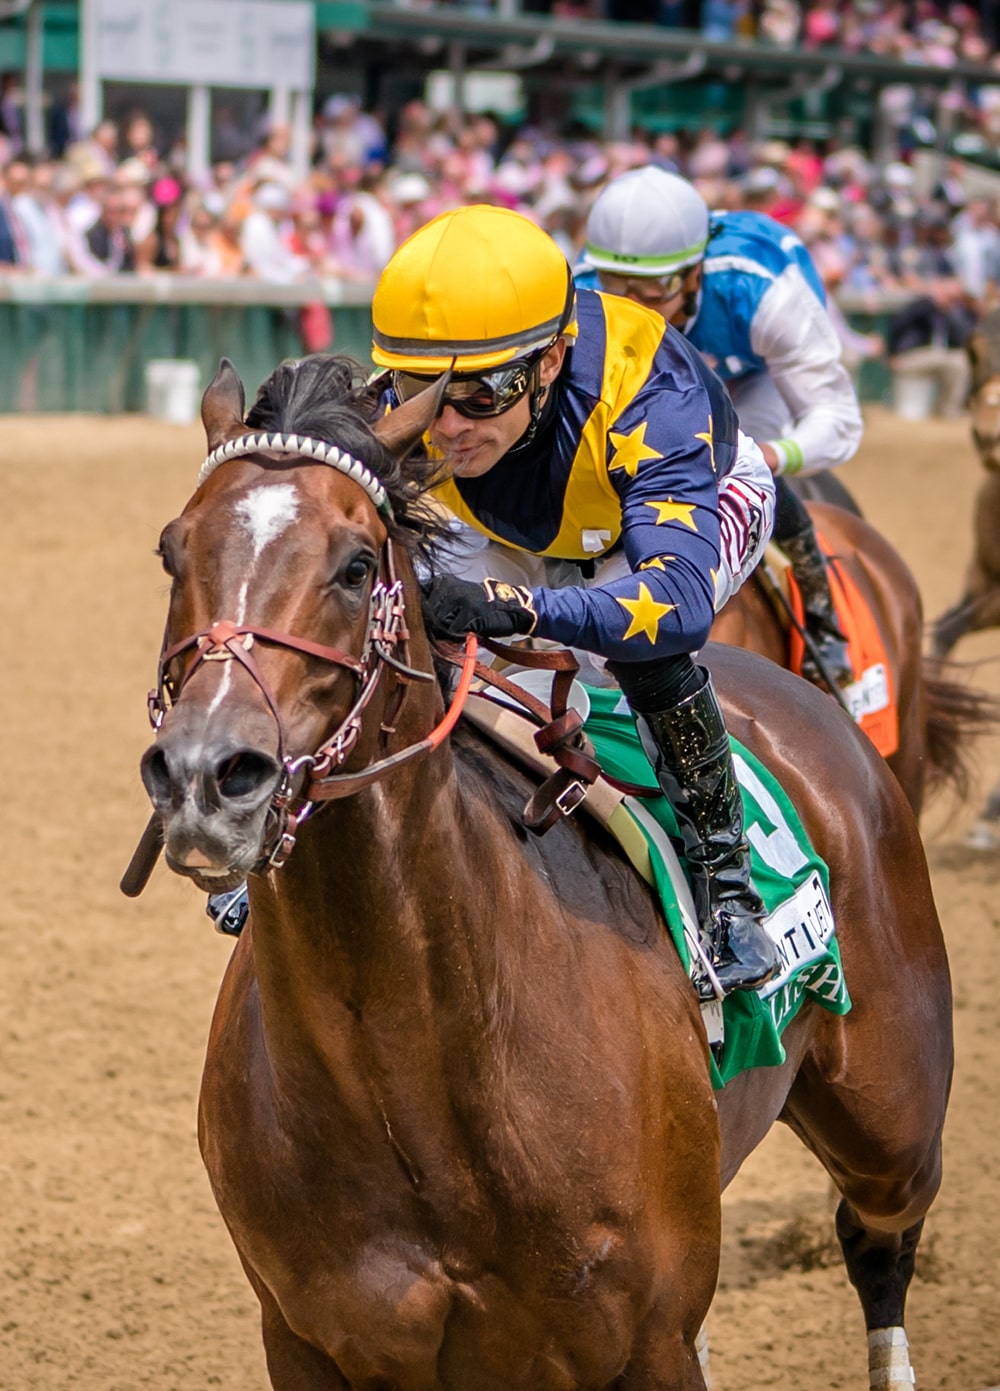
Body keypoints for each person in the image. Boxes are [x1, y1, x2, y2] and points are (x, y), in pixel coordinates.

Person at [367, 204, 779, 995]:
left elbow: (675, 603)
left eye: (481, 395)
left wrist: (516, 609)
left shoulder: (649, 397)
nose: (446, 426)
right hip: (514, 512)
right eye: (421, 390)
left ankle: (731, 894)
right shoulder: (414, 400)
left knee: (636, 645)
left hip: (688, 504)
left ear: (551, 359)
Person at [578, 164, 865, 690]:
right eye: (617, 287)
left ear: (695, 273)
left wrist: (771, 457)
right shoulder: (579, 290)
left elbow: (839, 420)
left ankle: (824, 623)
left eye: (654, 289)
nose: (635, 308)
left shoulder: (763, 291)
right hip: (657, 389)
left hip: (749, 378)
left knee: (738, 468)